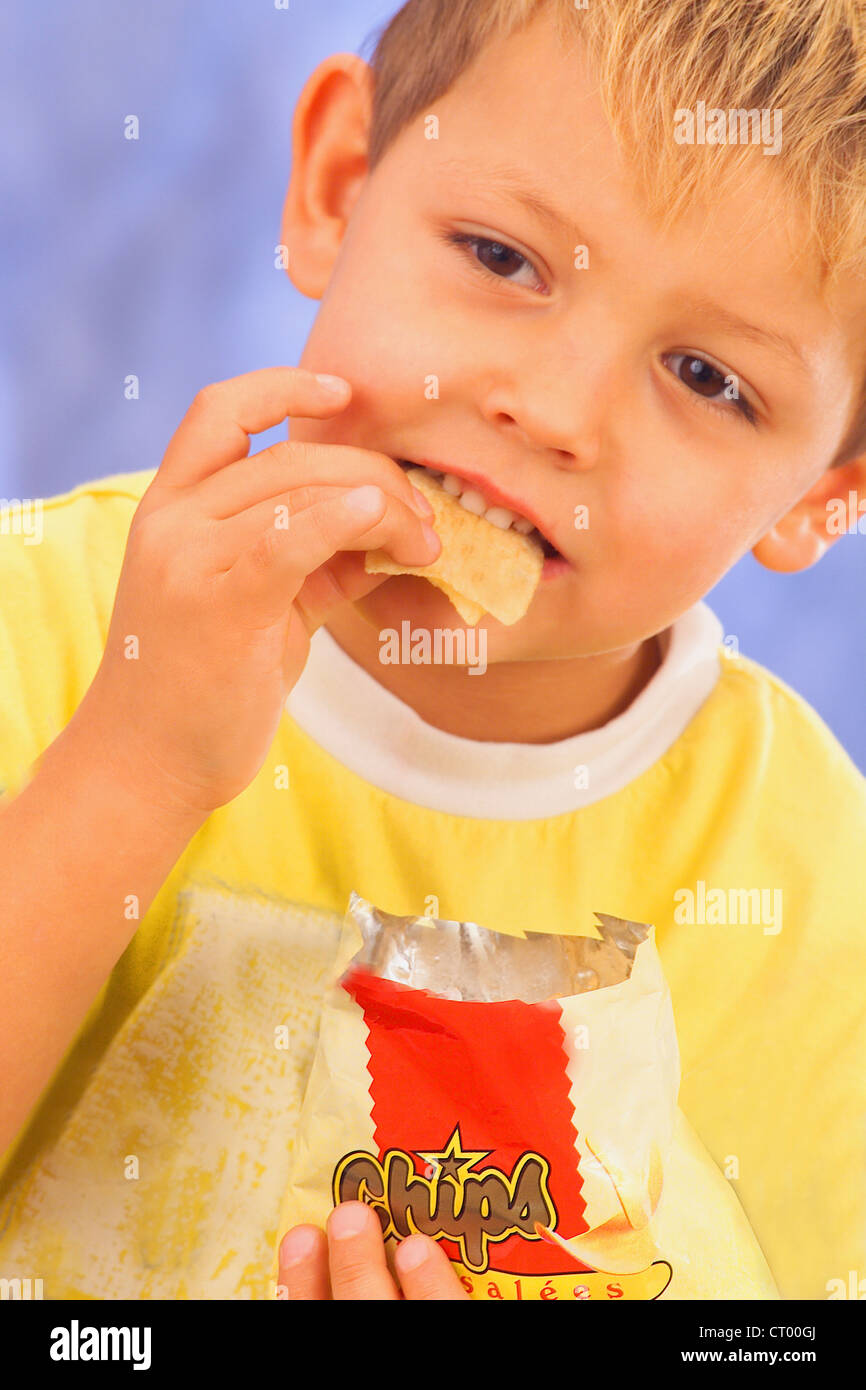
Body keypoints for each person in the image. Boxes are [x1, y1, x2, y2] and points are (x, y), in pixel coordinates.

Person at [1, 0, 865, 1301]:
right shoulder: (43, 624)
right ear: (337, 186)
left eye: (705, 377)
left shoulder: (807, 884)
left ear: (818, 497)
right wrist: (132, 768)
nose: (556, 409)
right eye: (501, 257)